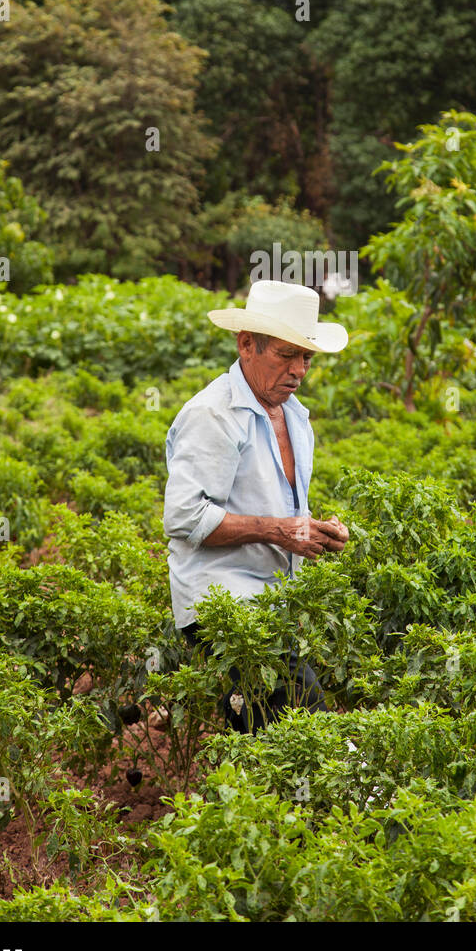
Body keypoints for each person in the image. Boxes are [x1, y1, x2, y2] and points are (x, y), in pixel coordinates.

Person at [162, 279, 351, 732]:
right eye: (286, 355)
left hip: (271, 604)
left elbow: (281, 509)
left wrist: (316, 529)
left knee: (268, 732)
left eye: (306, 357)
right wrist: (279, 530)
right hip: (222, 605)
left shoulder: (295, 418)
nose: (299, 370)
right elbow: (185, 516)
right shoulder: (213, 415)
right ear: (246, 344)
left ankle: (261, 798)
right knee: (306, 722)